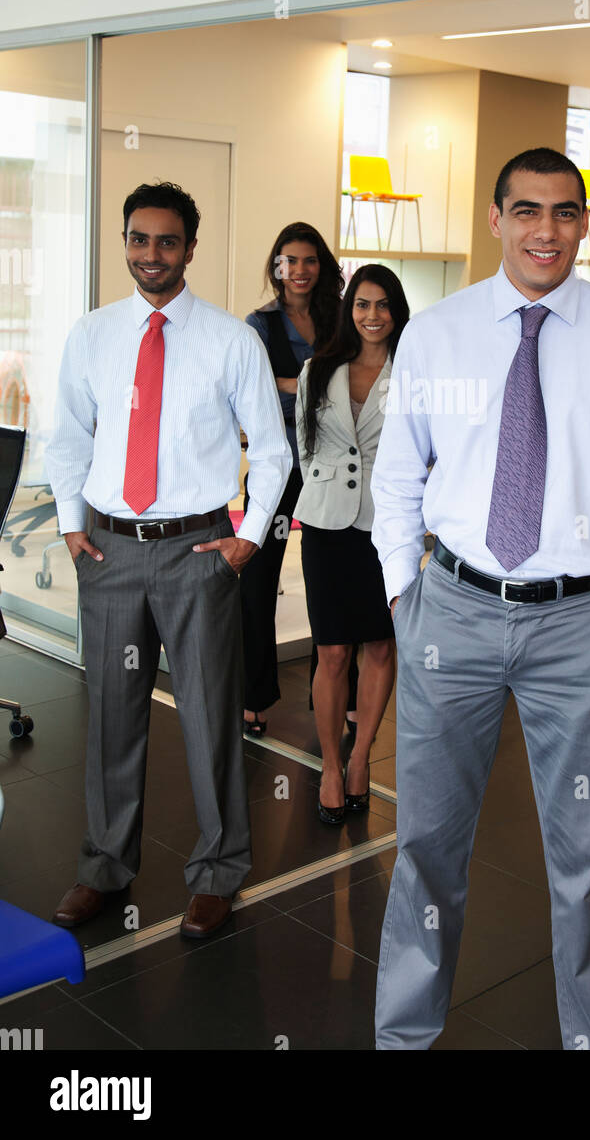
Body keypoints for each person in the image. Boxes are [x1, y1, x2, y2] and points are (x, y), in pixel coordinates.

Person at [370, 147, 590, 1050]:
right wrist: (408, 601)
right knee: (425, 852)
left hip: (582, 627)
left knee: (589, 867)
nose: (545, 231)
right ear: (495, 218)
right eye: (526, 211)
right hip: (454, 614)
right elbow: (396, 479)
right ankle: (404, 1039)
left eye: (564, 212)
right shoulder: (437, 333)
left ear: (585, 223)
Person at [45, 182, 289, 939]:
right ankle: (104, 866)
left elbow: (274, 449)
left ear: (190, 246)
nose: (151, 254)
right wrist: (70, 525)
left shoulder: (230, 341)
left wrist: (246, 540)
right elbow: (68, 437)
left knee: (211, 719)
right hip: (110, 550)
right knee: (112, 717)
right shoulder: (91, 334)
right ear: (125, 242)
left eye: (167, 241)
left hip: (198, 551)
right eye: (139, 239)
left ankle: (218, 872)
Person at [295, 264, 410, 825]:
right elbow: (306, 449)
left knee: (381, 647)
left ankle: (362, 758)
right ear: (349, 310)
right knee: (333, 649)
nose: (373, 316)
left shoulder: (413, 374)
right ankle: (332, 767)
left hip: (386, 528)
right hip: (325, 527)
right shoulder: (319, 370)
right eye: (363, 304)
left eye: (384, 305)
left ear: (397, 312)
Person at [239, 222, 343, 736]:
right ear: (276, 266)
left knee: (337, 576)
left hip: (332, 465)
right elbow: (254, 395)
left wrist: (289, 384)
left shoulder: (339, 319)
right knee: (258, 576)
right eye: (289, 260)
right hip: (278, 462)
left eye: (308, 260)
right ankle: (254, 691)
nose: (298, 270)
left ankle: (333, 692)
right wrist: (317, 384)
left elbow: (358, 384)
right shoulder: (258, 324)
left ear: (320, 266)